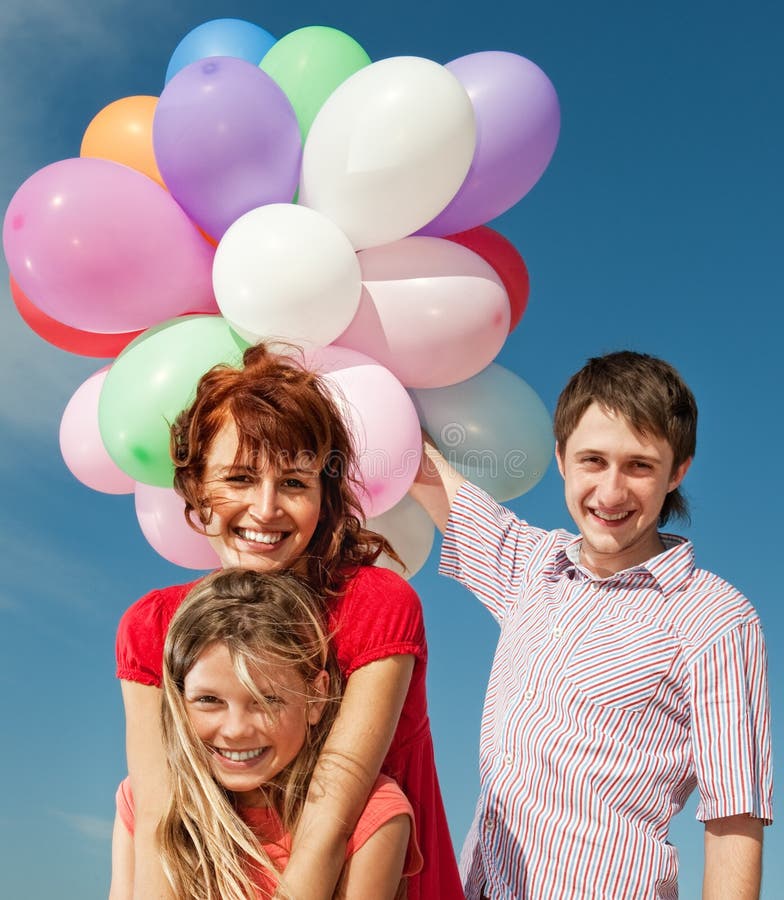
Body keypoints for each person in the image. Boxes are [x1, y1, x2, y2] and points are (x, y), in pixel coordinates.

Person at [409, 350, 773, 899]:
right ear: (561, 458)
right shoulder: (532, 568)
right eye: (593, 461)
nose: (610, 492)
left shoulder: (715, 619)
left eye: (640, 466)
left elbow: (734, 818)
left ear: (678, 470)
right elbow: (421, 465)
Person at [114, 343, 464, 900]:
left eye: (295, 483)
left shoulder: (374, 606)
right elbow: (162, 815)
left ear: (324, 499)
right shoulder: (153, 626)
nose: (267, 507)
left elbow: (331, 819)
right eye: (239, 478)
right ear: (196, 487)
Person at [112, 568, 422, 899]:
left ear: (316, 698)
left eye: (266, 700)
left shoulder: (374, 814)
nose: (236, 730)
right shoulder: (140, 799)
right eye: (208, 700)